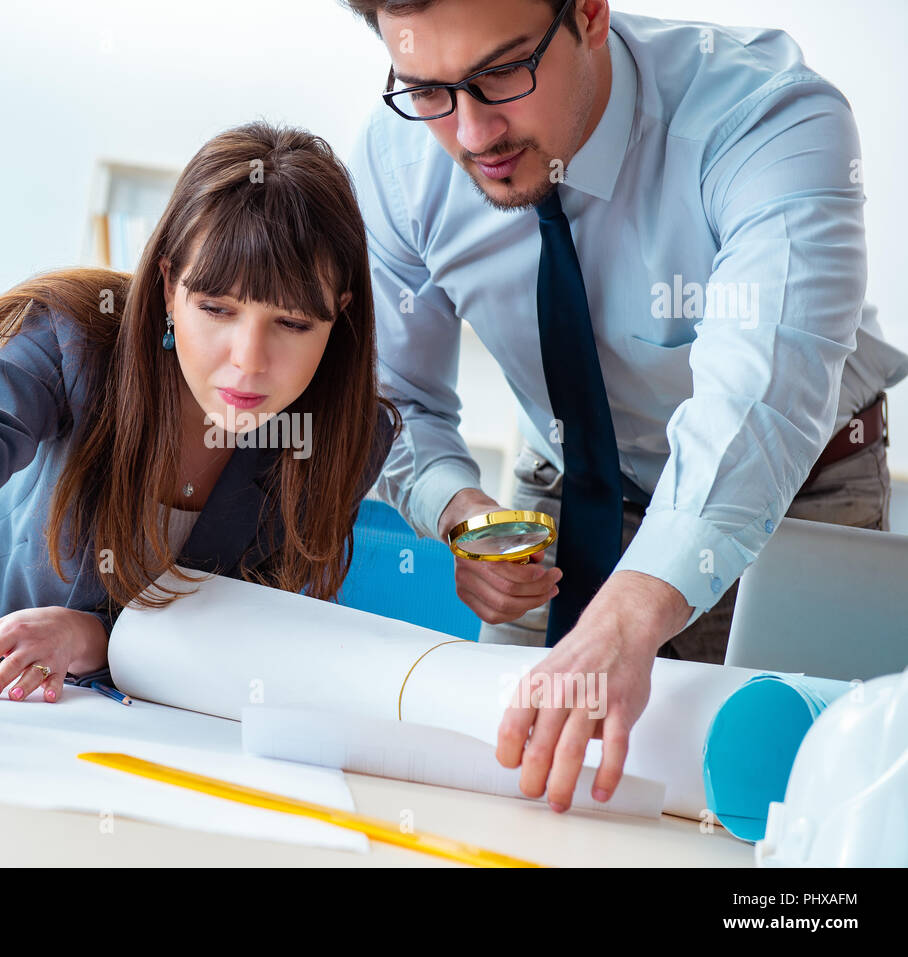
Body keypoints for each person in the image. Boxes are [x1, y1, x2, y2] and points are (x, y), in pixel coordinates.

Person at [342, 0, 908, 812]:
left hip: (791, 495)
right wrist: (460, 514)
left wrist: (631, 609)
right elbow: (393, 397)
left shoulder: (771, 120)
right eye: (428, 88)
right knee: (514, 789)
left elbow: (757, 410)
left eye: (503, 72)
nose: (471, 135)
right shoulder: (397, 159)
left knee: (784, 804)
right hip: (566, 480)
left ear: (590, 14)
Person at [0, 121, 400, 704]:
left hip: (139, 715)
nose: (249, 361)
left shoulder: (345, 440)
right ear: (167, 284)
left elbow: (255, 633)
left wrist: (95, 636)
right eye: (215, 308)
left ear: (339, 315)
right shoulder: (75, 338)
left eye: (292, 323)